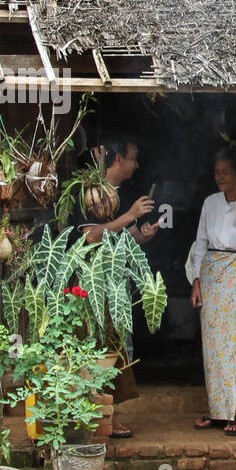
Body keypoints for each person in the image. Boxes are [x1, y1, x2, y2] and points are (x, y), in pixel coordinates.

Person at [67, 136, 160, 438]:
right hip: (89, 283)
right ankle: (98, 419)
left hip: (113, 282)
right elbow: (91, 237)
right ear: (118, 159)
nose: (136, 165)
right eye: (133, 158)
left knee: (116, 345)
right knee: (95, 346)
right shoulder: (89, 193)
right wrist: (130, 216)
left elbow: (114, 237)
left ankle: (110, 416)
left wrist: (140, 234)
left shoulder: (117, 194)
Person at [188, 151, 236, 433]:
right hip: (211, 273)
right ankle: (218, 411)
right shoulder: (210, 203)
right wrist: (196, 280)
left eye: (225, 172)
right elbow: (200, 243)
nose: (220, 177)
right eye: (217, 172)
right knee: (213, 347)